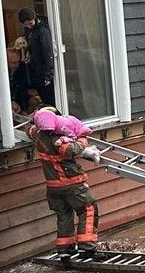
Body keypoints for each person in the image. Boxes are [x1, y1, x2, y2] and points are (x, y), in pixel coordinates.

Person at [29, 107, 99, 263]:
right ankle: (87, 249)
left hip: (53, 188)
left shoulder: (39, 136)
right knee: (88, 209)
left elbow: (31, 131)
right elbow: (72, 150)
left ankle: (64, 251)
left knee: (64, 216)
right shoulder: (57, 140)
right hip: (71, 185)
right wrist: (82, 139)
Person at [18, 8, 55, 107]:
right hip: (36, 66)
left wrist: (48, 74)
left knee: (49, 98)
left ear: (34, 17)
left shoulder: (42, 29)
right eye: (26, 25)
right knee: (42, 95)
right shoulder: (29, 30)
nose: (29, 26)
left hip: (44, 67)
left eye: (30, 23)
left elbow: (47, 51)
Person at [7, 48, 30, 115]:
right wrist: (10, 102)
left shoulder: (21, 69)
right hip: (8, 101)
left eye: (18, 62)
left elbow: (23, 89)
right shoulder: (2, 74)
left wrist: (24, 109)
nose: (16, 65)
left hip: (18, 99)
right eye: (13, 63)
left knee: (34, 102)